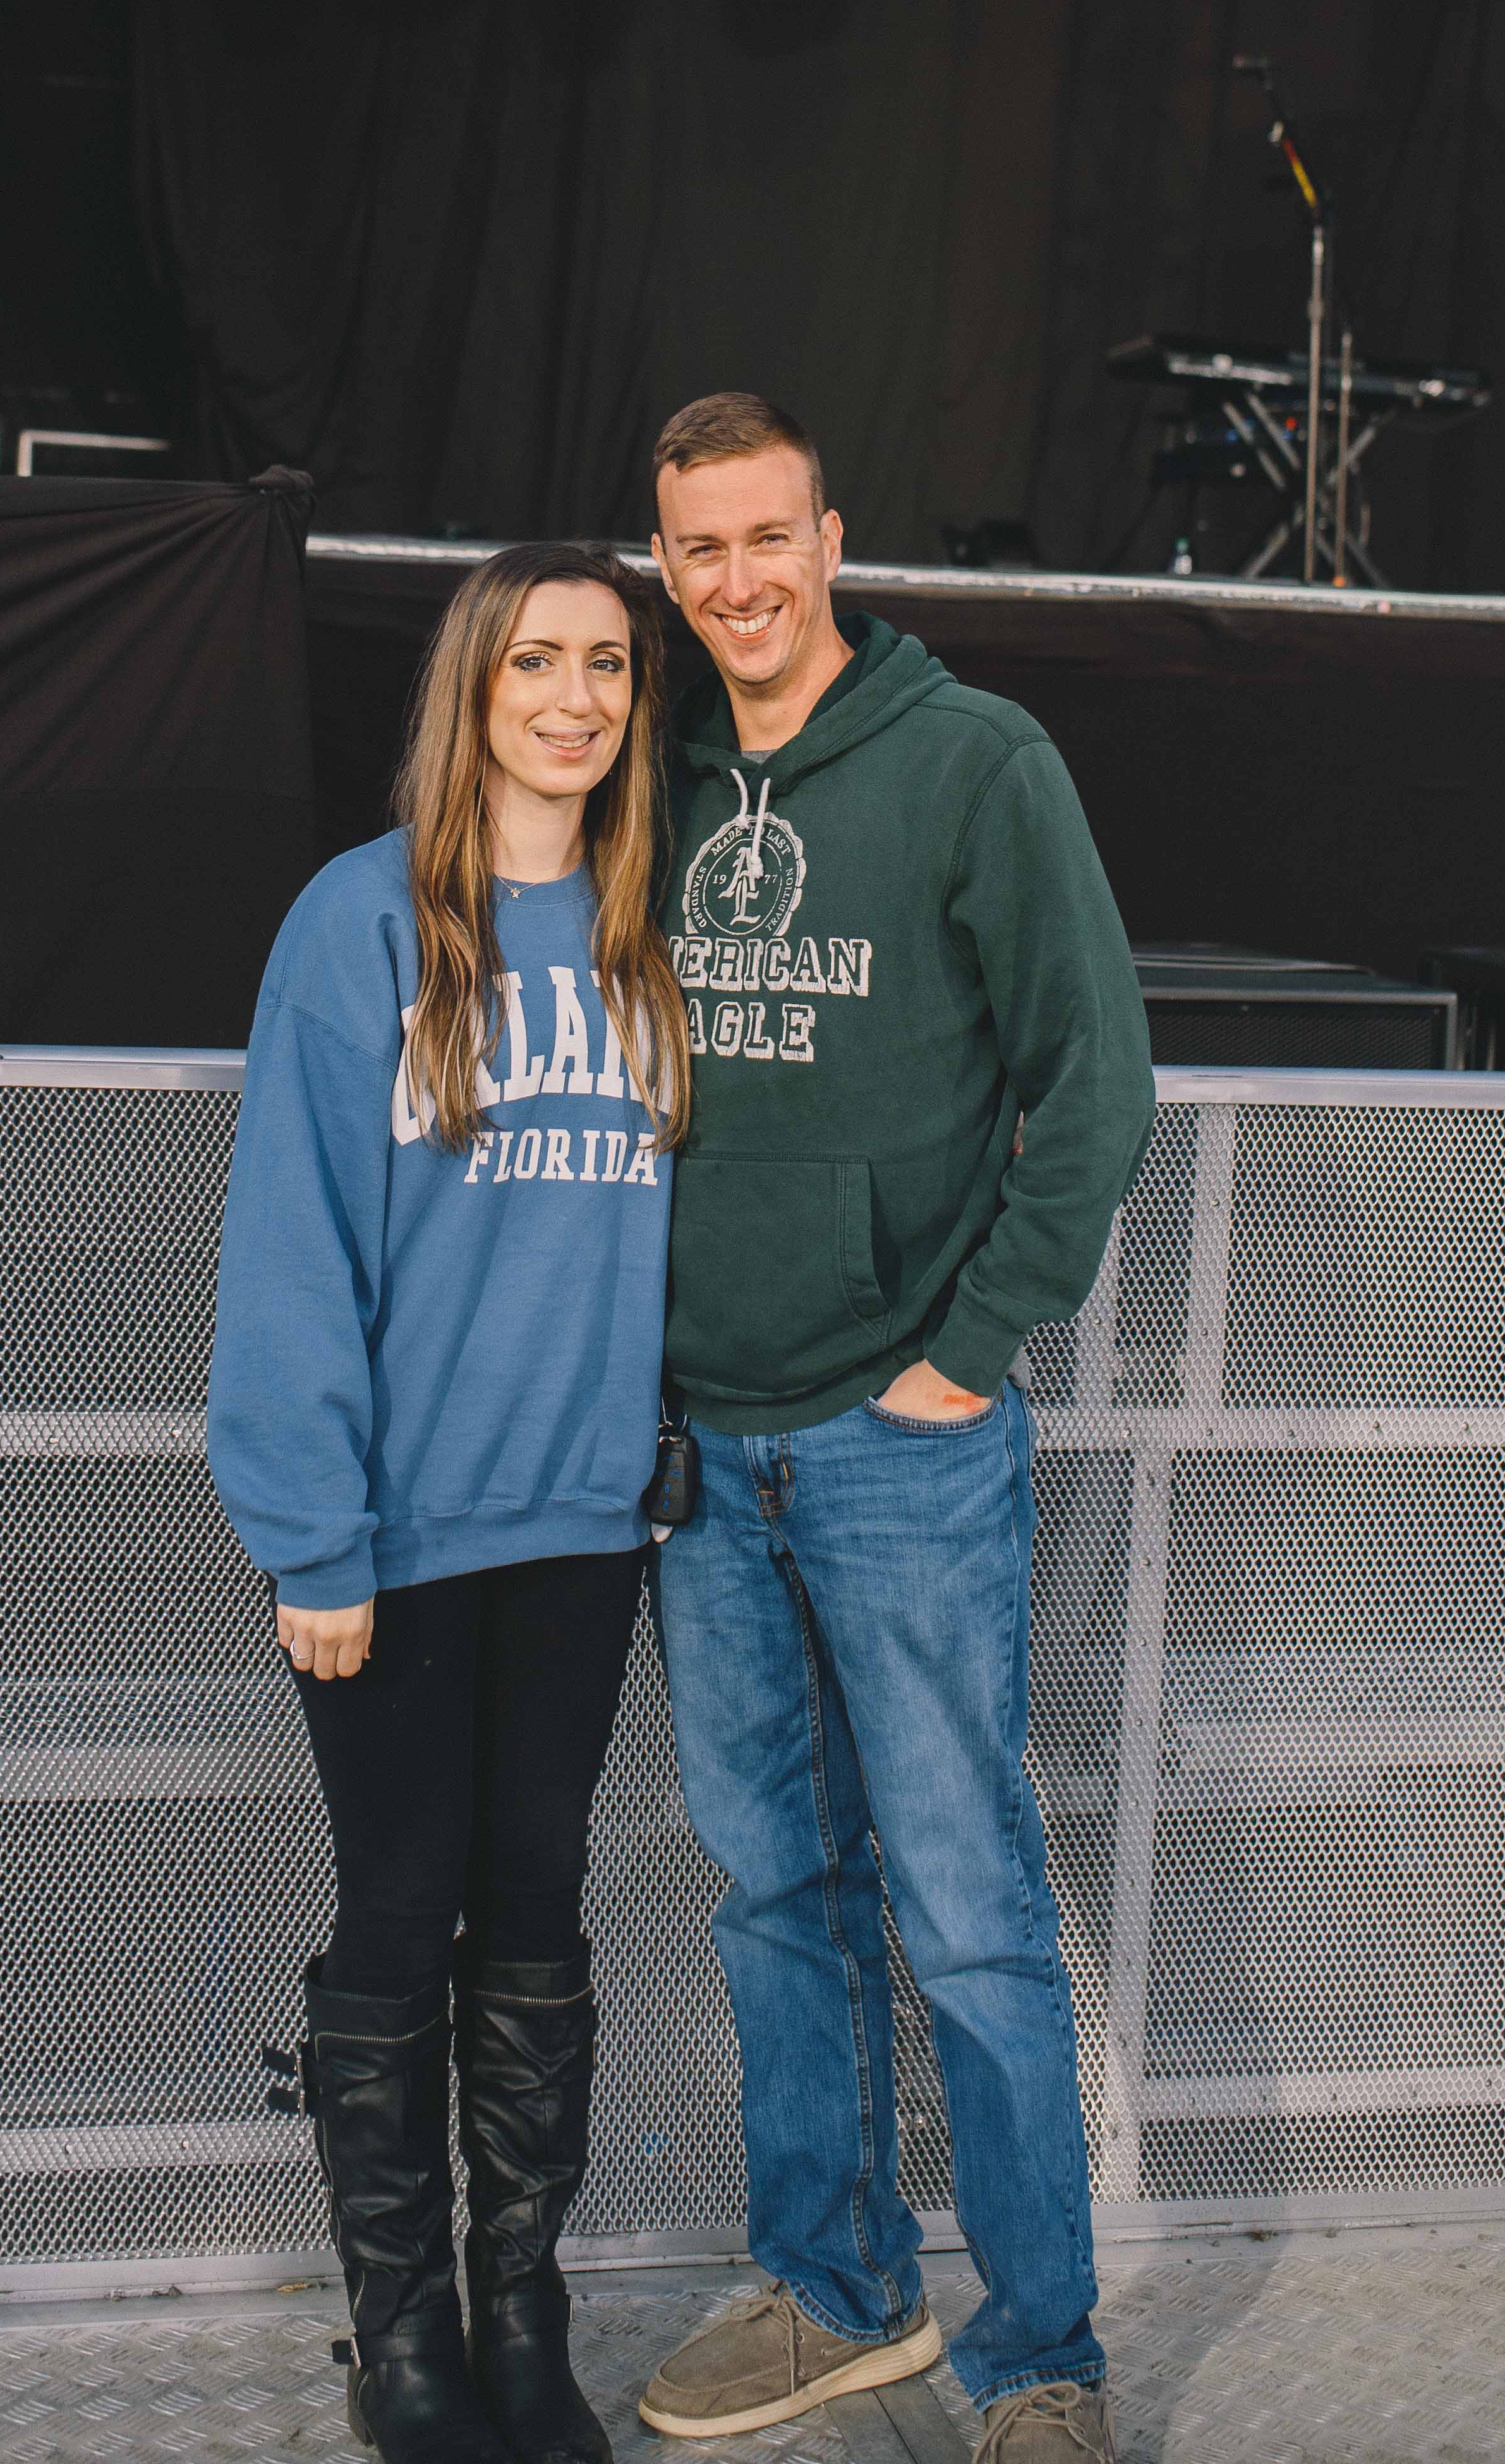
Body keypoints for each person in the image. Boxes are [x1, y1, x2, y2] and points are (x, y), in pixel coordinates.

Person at [633, 396, 1156, 2464]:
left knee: (968, 1907)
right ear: (662, 567)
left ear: (830, 536)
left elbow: (1094, 1088)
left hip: (897, 1444)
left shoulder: (969, 764)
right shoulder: (646, 778)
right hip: (698, 1455)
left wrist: (964, 1352)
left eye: (771, 538)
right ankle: (837, 2293)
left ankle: (1042, 2358)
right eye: (700, 554)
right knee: (774, 1890)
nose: (740, 585)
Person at [208, 543, 691, 2464]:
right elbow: (292, 1249)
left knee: (544, 1908)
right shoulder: (361, 928)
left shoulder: (649, 935)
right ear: (474, 689)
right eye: (540, 663)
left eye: (607, 668)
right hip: (395, 1543)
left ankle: (521, 2321)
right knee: (400, 1917)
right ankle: (401, 2337)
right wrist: (312, 1533)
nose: (576, 698)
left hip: (580, 1529)